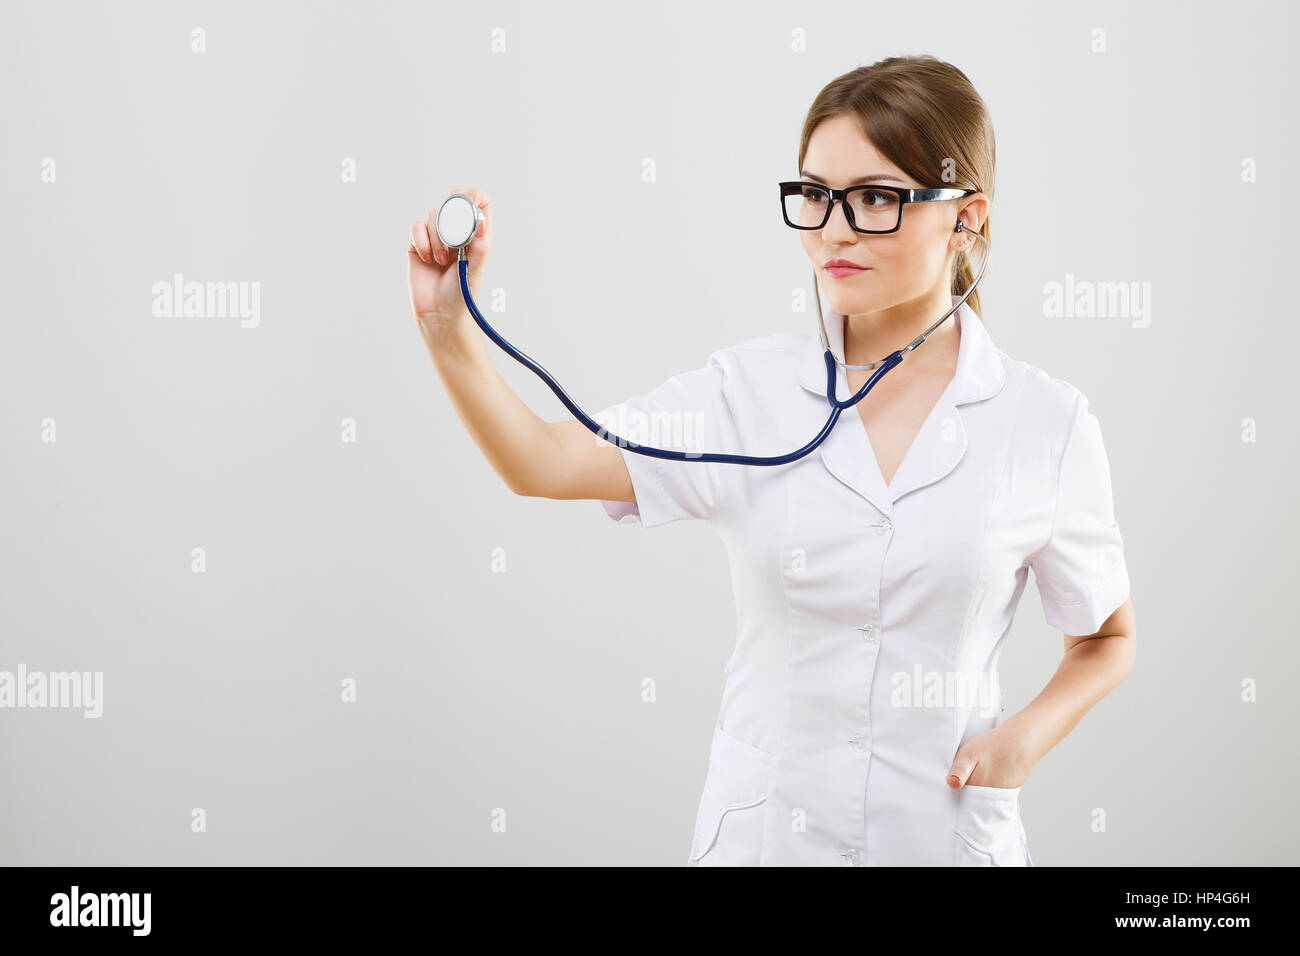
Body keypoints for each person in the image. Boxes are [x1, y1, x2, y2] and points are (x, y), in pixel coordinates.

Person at [406, 54, 1136, 866]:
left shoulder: (1045, 423)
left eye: (875, 198)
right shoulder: (749, 393)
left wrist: (1021, 742)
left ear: (967, 217)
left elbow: (1106, 638)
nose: (833, 229)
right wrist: (449, 332)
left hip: (942, 834)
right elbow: (543, 461)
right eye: (816, 196)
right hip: (767, 837)